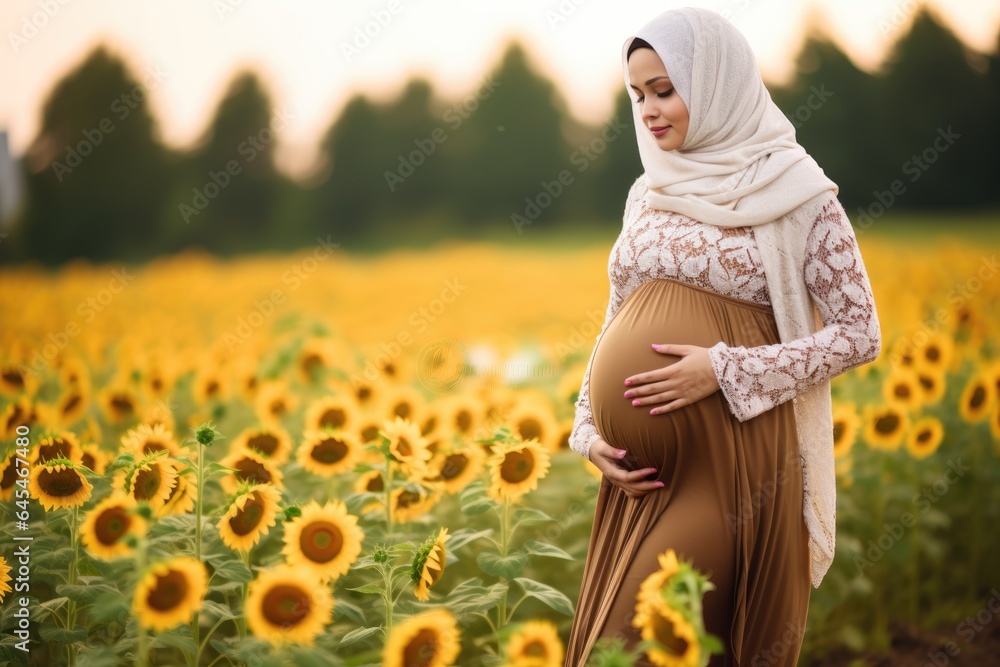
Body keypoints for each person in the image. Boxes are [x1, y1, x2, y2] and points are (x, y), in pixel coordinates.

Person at [564, 7, 882, 667]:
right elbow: (615, 315)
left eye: (664, 89)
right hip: (642, 476)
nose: (649, 110)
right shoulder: (647, 193)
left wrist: (726, 369)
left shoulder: (800, 195)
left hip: (732, 465)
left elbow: (860, 334)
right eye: (637, 94)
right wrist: (588, 430)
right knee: (619, 648)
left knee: (642, 642)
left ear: (717, 85)